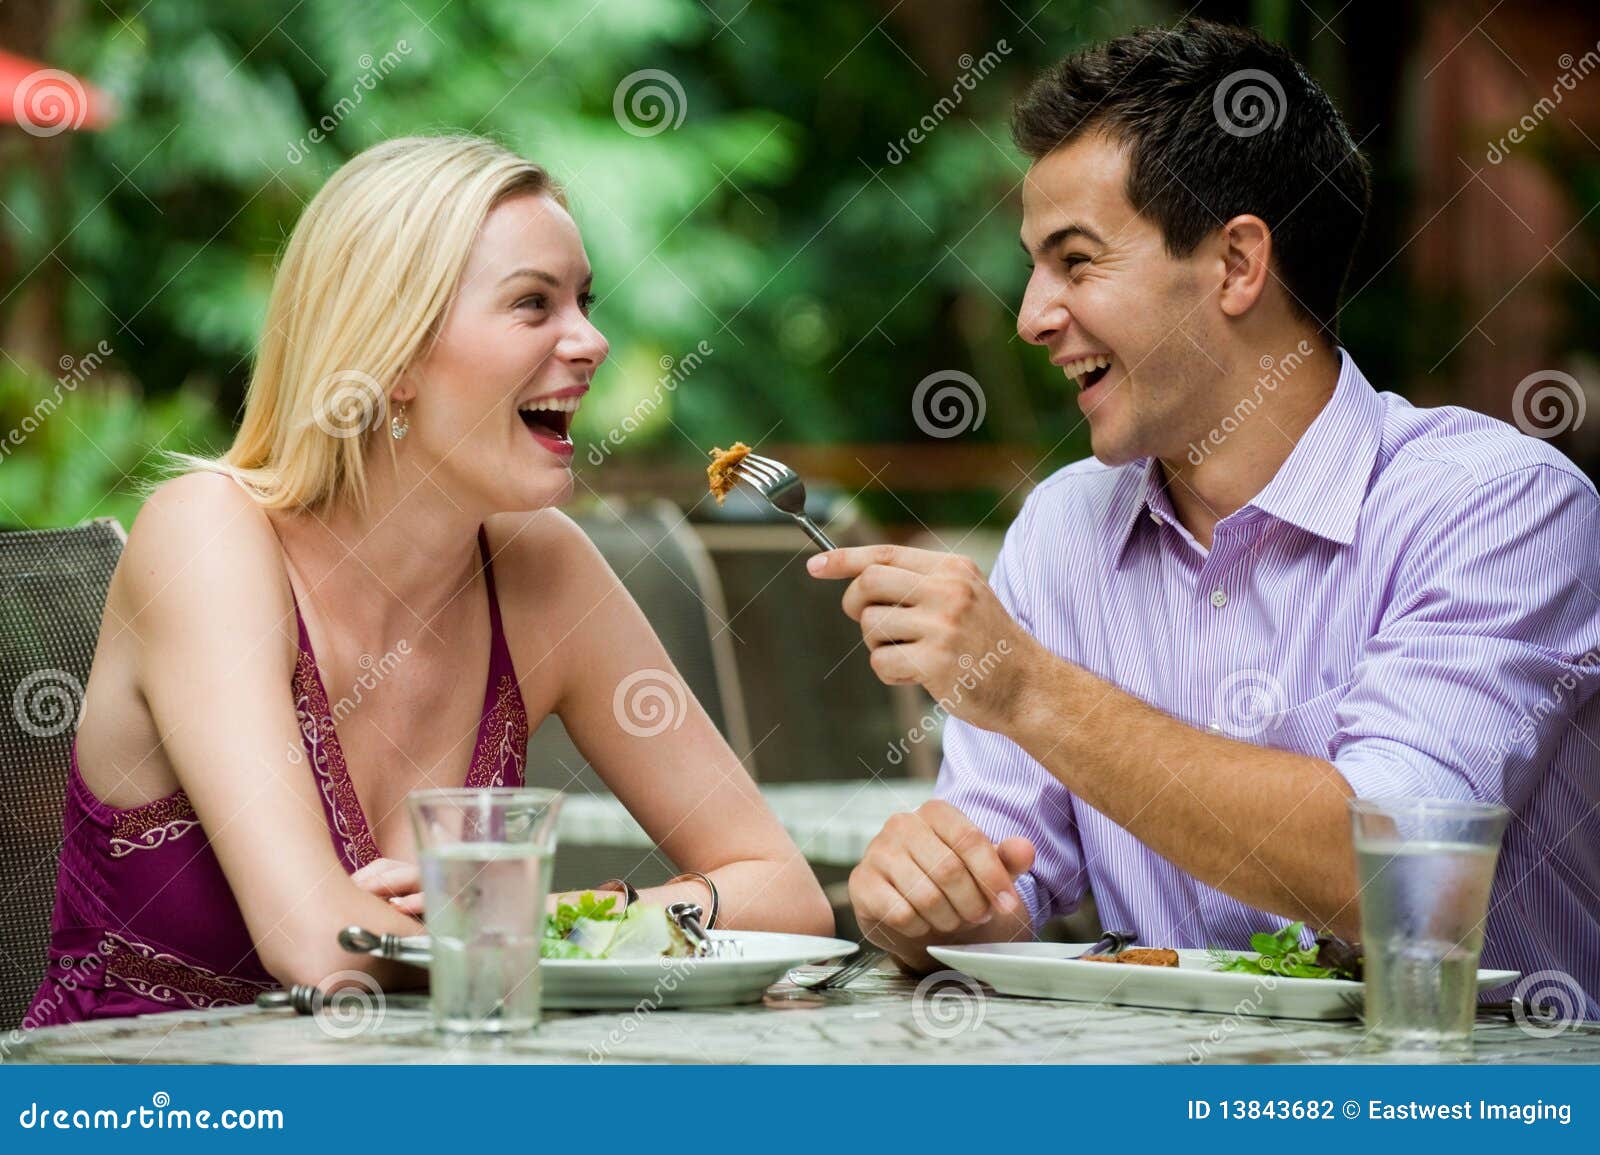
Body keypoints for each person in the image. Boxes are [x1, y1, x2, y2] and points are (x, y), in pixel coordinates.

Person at [815, 21, 1600, 1015]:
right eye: (1034, 267)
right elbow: (998, 885)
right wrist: (929, 897)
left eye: (1075, 261)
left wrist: (1024, 686)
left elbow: (1393, 877)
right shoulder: (1063, 530)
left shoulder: (1498, 507)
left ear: (1235, 264)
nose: (1032, 316)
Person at [26, 135, 831, 1027]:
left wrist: (554, 918)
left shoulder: (544, 567)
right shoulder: (207, 535)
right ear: (395, 355)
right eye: (533, 303)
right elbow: (324, 948)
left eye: (584, 301)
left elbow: (784, 894)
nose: (592, 341)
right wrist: (512, 931)